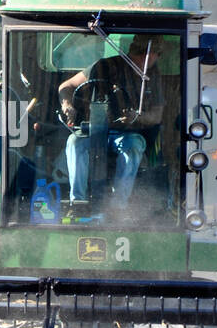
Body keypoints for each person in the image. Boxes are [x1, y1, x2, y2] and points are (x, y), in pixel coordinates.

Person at [57, 34, 165, 210]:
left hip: (127, 134)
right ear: (131, 51)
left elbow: (157, 116)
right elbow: (66, 86)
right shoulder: (104, 66)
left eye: (152, 54)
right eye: (140, 54)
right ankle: (77, 201)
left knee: (133, 147)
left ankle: (117, 207)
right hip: (92, 130)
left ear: (156, 56)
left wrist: (138, 117)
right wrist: (67, 104)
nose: (146, 59)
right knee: (74, 142)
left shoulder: (153, 76)